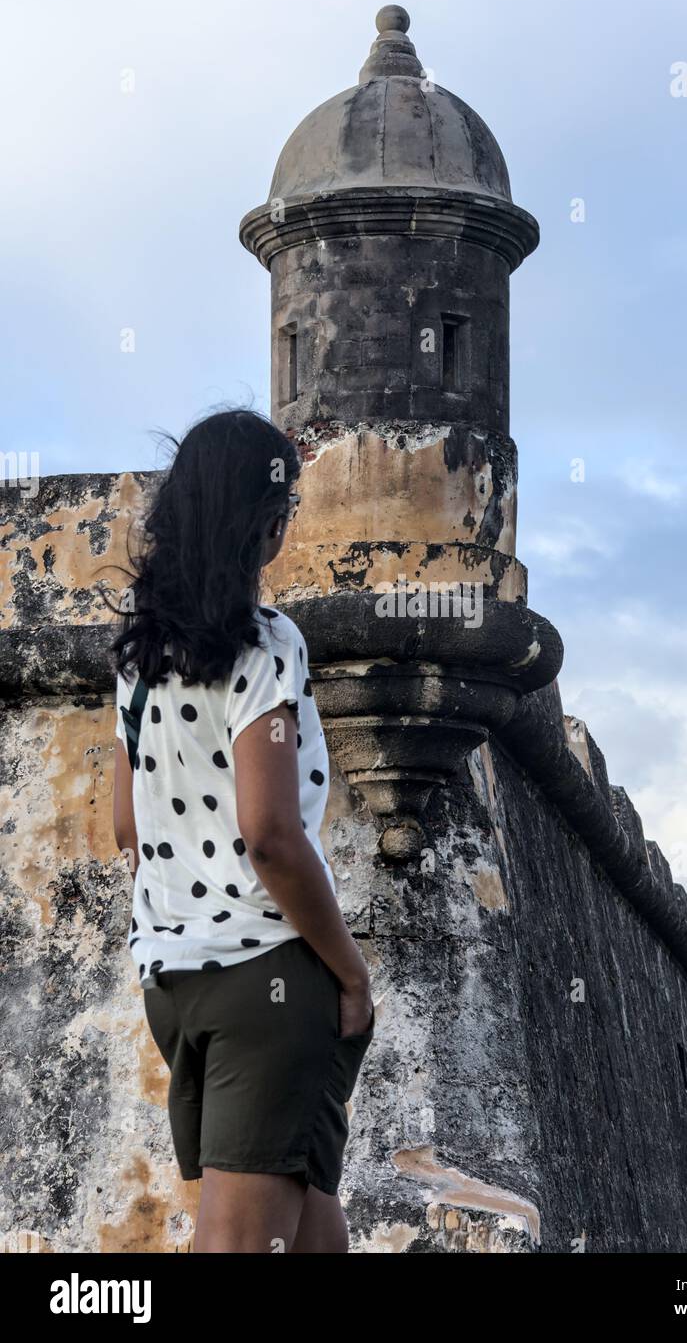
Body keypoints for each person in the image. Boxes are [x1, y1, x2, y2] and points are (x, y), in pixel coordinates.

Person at [109, 407, 374, 1254]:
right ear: (262, 519)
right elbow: (269, 835)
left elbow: (126, 825)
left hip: (175, 981)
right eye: (286, 507)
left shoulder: (138, 658)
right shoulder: (266, 646)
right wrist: (350, 972)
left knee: (306, 1229)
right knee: (239, 1242)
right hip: (266, 974)